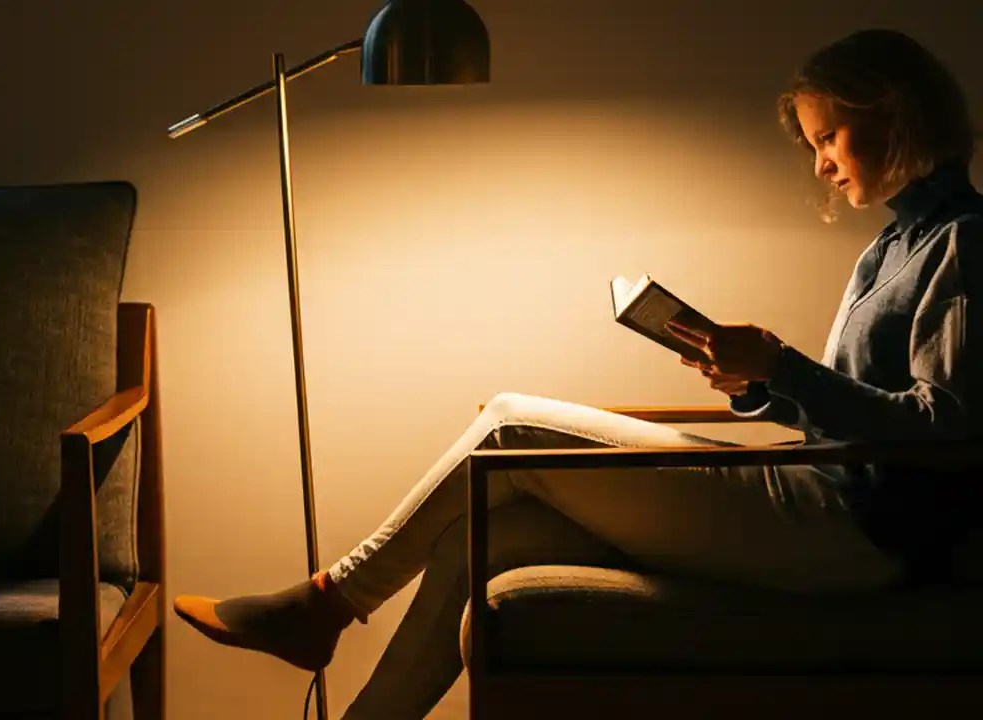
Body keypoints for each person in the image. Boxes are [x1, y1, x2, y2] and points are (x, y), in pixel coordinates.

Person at [174, 28, 982, 719]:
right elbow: (847, 410)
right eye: (813, 145)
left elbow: (946, 432)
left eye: (829, 138)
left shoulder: (962, 241)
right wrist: (758, 386)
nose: (821, 166)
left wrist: (787, 369)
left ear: (894, 113)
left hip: (860, 534)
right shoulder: (892, 245)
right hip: (821, 500)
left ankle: (326, 602)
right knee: (484, 538)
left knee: (511, 424)